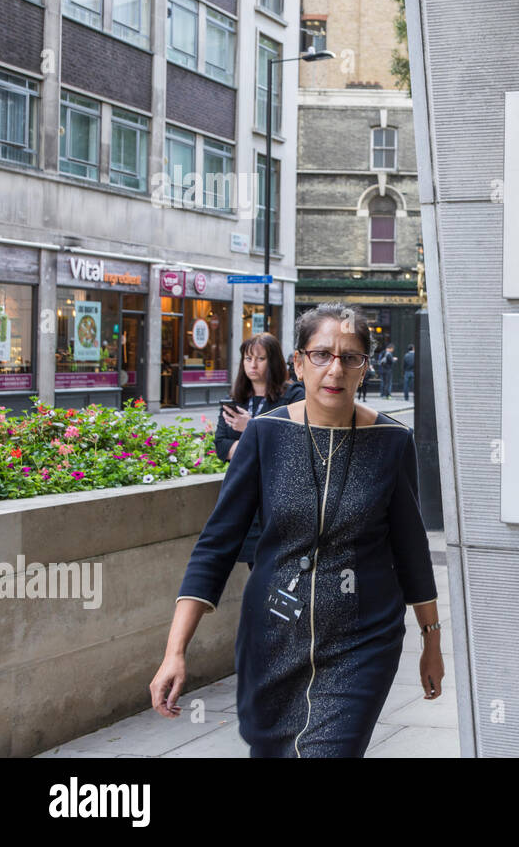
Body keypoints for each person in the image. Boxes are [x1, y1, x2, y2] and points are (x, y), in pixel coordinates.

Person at [150, 303, 444, 757]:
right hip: (272, 638)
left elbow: (411, 550)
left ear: (365, 367)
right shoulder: (264, 436)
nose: (335, 368)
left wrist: (431, 641)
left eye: (351, 357)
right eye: (322, 354)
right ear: (299, 363)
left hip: (361, 641)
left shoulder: (391, 441)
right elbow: (216, 545)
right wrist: (175, 650)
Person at [214, 333, 303, 567]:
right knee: (255, 570)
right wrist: (259, 445)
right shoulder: (236, 399)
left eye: (260, 358)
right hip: (246, 498)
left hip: (281, 499)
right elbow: (221, 446)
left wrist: (250, 428)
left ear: (272, 361)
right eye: (247, 358)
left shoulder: (293, 396)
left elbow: (294, 444)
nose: (252, 365)